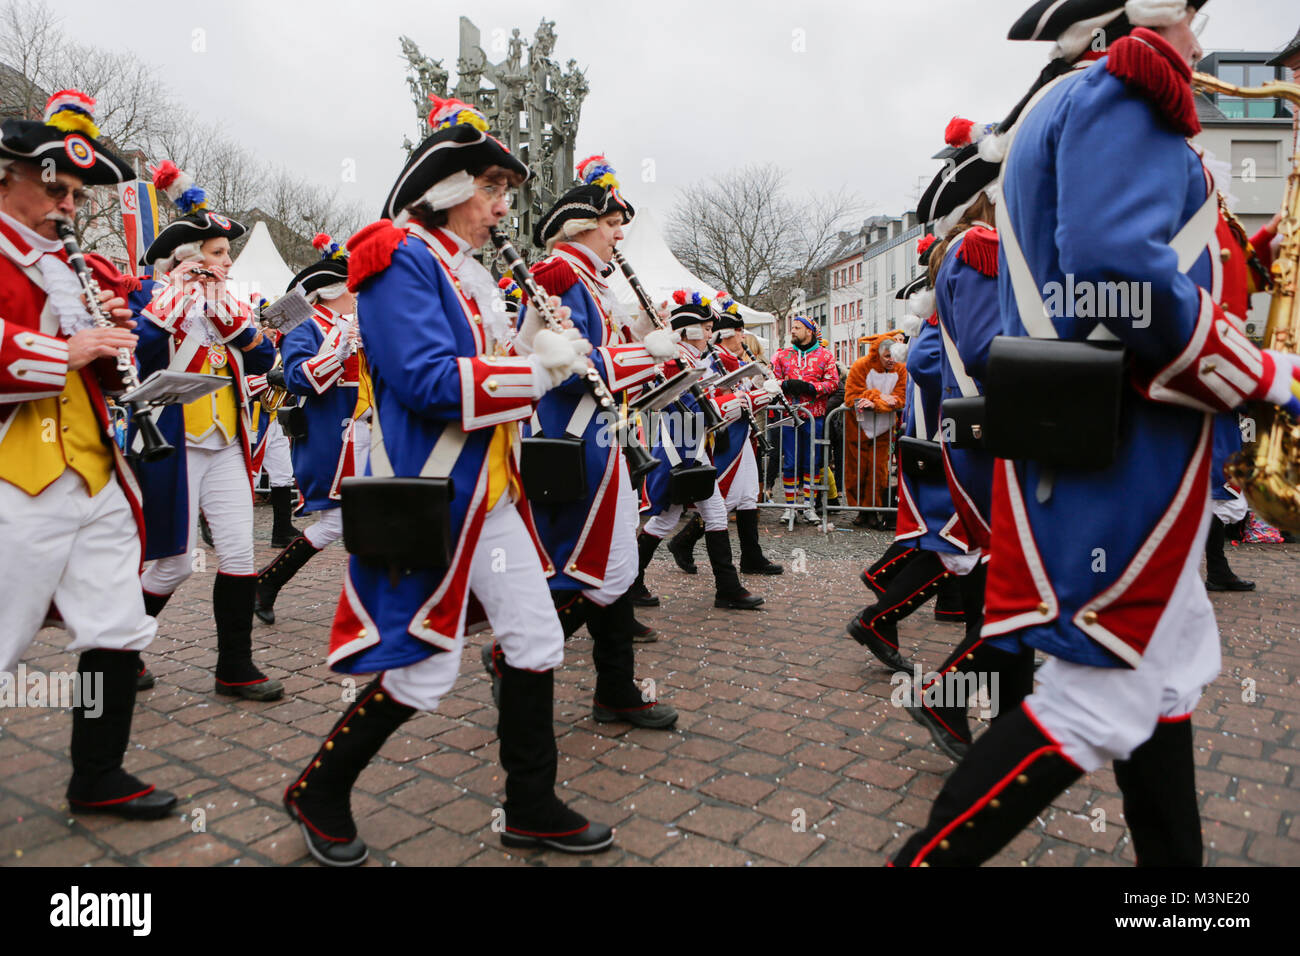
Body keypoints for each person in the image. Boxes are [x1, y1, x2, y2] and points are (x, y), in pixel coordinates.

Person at [894, 0, 1300, 867]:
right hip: (1126, 459)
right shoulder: (1126, 86)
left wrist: (1261, 255)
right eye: (1191, 17)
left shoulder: (1077, 101)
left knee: (1157, 686)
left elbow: (1156, 263)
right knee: (1093, 701)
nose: (1197, 43)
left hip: (1122, 454)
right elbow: (1120, 271)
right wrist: (1263, 376)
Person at [284, 96, 610, 866]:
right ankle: (319, 790)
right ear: (448, 188)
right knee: (424, 667)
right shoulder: (394, 255)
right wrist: (537, 371)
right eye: (493, 190)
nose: (503, 210)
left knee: (535, 639)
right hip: (435, 488)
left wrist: (542, 340)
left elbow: (493, 360)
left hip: (491, 490)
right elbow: (430, 380)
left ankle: (531, 805)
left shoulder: (464, 272)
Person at [0, 88, 176, 819]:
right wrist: (66, 350)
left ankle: (97, 775)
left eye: (74, 193)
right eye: (54, 187)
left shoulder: (74, 268)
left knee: (115, 624)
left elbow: (94, 372)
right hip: (15, 475)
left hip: (94, 467)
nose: (68, 203)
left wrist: (114, 348)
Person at [507, 154, 679, 729]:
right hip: (571, 437)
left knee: (618, 561)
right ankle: (522, 659)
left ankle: (616, 688)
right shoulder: (558, 275)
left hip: (602, 436)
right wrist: (645, 354)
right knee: (583, 564)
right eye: (611, 224)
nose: (620, 234)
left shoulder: (590, 282)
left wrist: (659, 358)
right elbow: (578, 366)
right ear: (582, 227)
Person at [132, 161, 282, 701]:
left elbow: (264, 353)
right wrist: (172, 308)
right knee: (171, 562)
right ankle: (120, 651)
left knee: (240, 554)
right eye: (218, 253)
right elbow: (140, 358)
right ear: (189, 257)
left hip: (225, 440)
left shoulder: (229, 300)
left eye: (225, 253)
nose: (226, 261)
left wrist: (230, 318)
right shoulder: (149, 299)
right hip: (174, 441)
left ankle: (234, 667)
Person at [252, 234, 372, 625]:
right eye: (351, 289)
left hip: (367, 433)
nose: (356, 295)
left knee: (369, 515)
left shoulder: (357, 323)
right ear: (332, 291)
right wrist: (336, 352)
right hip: (329, 437)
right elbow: (300, 378)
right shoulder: (306, 327)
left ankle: (374, 602)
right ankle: (267, 583)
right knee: (337, 523)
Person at [633, 291, 765, 610]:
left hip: (690, 441)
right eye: (705, 328)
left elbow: (701, 404)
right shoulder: (675, 359)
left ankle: (727, 587)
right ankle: (631, 582)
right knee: (665, 518)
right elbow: (692, 409)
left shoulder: (691, 359)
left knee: (710, 512)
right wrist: (748, 400)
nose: (710, 334)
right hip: (676, 444)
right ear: (689, 330)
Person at [664, 294, 784, 577]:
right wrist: (759, 395)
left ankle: (751, 556)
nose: (743, 335)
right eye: (739, 330)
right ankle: (684, 542)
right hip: (720, 434)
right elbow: (719, 400)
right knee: (721, 497)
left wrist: (760, 391)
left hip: (741, 433)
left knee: (746, 495)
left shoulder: (728, 358)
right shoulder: (711, 359)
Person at [771, 316, 838, 525]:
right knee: (789, 462)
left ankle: (809, 506)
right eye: (792, 327)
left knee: (812, 462)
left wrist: (811, 388)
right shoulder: (782, 355)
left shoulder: (825, 356)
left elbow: (833, 382)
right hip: (789, 416)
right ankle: (790, 506)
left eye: (797, 328)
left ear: (809, 331)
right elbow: (771, 380)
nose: (793, 331)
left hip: (814, 416)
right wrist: (785, 384)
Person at [844, 333, 906, 528]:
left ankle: (872, 510)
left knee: (879, 472)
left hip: (884, 427)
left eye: (894, 356)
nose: (891, 360)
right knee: (857, 471)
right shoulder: (860, 366)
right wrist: (880, 397)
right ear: (877, 354)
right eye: (887, 356)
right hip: (858, 426)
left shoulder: (901, 370)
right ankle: (860, 510)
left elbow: (900, 398)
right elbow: (851, 397)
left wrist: (876, 403)